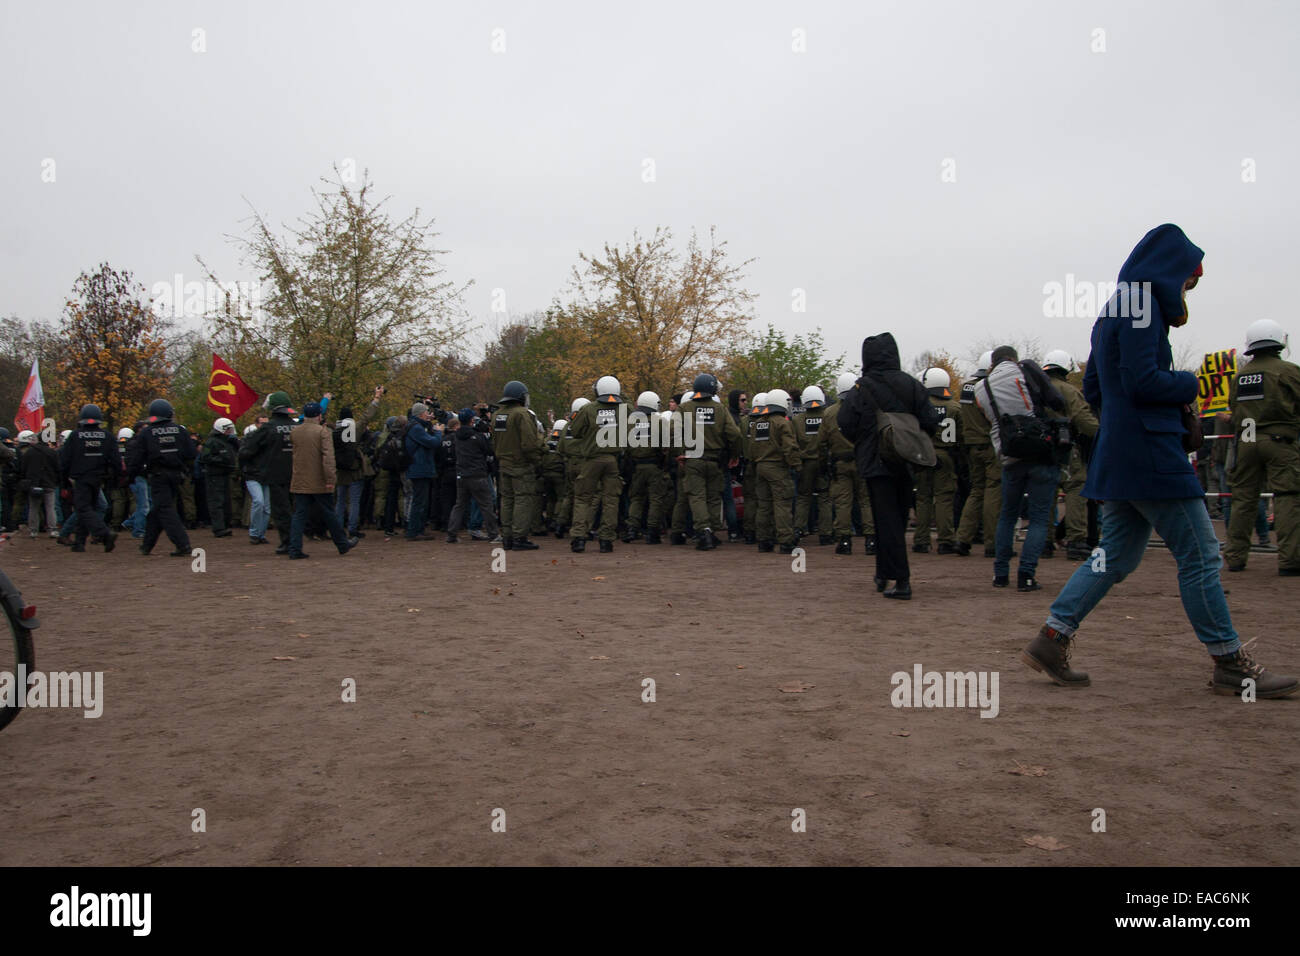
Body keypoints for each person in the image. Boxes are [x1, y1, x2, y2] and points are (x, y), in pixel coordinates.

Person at [1024, 223, 1296, 698]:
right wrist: (1189, 383)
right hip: (1152, 456)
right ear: (1172, 271)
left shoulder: (1116, 308)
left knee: (1115, 556)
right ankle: (1229, 661)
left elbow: (1096, 389)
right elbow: (1143, 381)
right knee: (1200, 554)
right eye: (1192, 279)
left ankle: (1052, 637)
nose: (1191, 287)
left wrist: (1126, 425)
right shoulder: (1144, 307)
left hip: (1121, 454)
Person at [838, 333, 941, 600]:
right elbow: (930, 420)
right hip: (907, 461)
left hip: (875, 461)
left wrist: (867, 442)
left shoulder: (861, 388)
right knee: (897, 517)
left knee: (887, 521)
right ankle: (884, 572)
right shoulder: (912, 385)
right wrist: (909, 441)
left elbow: (845, 423)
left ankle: (901, 580)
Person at [974, 347, 1067, 591]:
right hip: (1040, 452)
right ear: (1012, 358)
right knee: (1037, 518)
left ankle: (1000, 574)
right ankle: (1026, 575)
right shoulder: (1025, 369)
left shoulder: (980, 387)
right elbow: (1057, 401)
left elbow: (989, 418)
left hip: (1009, 454)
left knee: (1007, 514)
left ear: (992, 364)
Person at [1223, 319, 1300, 575]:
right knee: (1287, 497)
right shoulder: (1288, 371)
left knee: (1243, 499)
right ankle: (1290, 561)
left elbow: (1234, 411)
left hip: (1245, 441)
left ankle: (1235, 557)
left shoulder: (1239, 376)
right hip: (1280, 442)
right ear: (1279, 342)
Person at [1041, 350, 1100, 560]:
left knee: (1046, 493)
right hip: (1066, 448)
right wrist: (1105, 435)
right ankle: (1076, 542)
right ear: (1065, 368)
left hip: (1039, 448)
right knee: (1076, 487)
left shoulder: (1033, 389)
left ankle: (1043, 542)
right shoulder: (1067, 390)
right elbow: (1083, 419)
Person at [679, 373, 743, 550]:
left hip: (693, 459)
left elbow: (672, 431)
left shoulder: (684, 408)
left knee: (697, 496)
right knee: (714, 497)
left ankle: (704, 530)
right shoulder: (720, 409)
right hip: (715, 460)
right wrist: (734, 455)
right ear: (712, 389)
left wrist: (679, 453)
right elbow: (735, 434)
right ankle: (712, 531)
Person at [287, 402, 357, 559]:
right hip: (319, 480)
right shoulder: (323, 432)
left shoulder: (295, 432)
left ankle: (294, 548)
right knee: (329, 513)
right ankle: (342, 543)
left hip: (300, 479)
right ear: (319, 415)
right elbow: (328, 458)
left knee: (299, 515)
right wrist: (330, 478)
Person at [128, 399, 195, 556]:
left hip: (158, 476)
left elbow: (137, 458)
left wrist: (131, 476)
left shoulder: (146, 433)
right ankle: (147, 545)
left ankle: (183, 544)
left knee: (165, 509)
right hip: (177, 475)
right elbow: (191, 453)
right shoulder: (180, 430)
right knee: (157, 510)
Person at [567, 376, 625, 553]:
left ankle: (579, 538)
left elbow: (575, 431)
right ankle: (606, 540)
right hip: (612, 460)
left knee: (583, 498)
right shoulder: (623, 409)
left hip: (591, 460)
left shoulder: (588, 409)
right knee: (610, 500)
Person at [59, 404, 121, 553]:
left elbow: (64, 460)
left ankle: (105, 534)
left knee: (83, 508)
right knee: (87, 510)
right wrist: (114, 479)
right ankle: (79, 543)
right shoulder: (107, 436)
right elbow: (116, 461)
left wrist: (64, 482)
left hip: (81, 479)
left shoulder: (75, 436)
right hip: (98, 479)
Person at [913, 368, 961, 554]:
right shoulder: (955, 407)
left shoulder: (920, 407)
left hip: (924, 455)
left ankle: (921, 541)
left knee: (923, 497)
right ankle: (945, 541)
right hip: (947, 455)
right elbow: (962, 436)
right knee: (944, 499)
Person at [955, 351, 999, 556]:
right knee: (993, 493)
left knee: (976, 492)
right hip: (990, 444)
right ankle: (992, 543)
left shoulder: (966, 387)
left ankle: (963, 539)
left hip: (972, 446)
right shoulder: (991, 386)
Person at [491, 381, 543, 549]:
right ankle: (519, 537)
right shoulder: (522, 414)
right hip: (521, 464)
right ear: (521, 396)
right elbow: (529, 444)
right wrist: (537, 460)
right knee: (523, 500)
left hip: (503, 463)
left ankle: (507, 537)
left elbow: (494, 441)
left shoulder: (498, 415)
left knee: (507, 500)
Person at [750, 388, 801, 554]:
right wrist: (796, 465)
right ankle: (786, 541)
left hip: (760, 467)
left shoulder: (758, 423)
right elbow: (790, 448)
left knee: (763, 506)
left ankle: (764, 541)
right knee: (782, 504)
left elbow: (751, 448)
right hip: (777, 468)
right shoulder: (782, 422)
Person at [446, 408, 501, 543]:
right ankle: (493, 534)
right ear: (471, 420)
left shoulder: (456, 436)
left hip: (461, 474)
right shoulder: (477, 436)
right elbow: (488, 450)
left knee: (459, 505)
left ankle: (451, 534)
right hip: (477, 474)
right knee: (486, 504)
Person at [792, 385, 833, 545]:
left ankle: (798, 529)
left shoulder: (797, 420)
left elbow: (793, 444)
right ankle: (826, 534)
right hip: (823, 462)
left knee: (803, 498)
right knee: (825, 498)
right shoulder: (827, 416)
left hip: (805, 464)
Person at [403, 402, 445, 541]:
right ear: (421, 413)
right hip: (419, 468)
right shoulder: (416, 428)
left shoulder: (415, 426)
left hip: (418, 468)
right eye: (427, 412)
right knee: (419, 501)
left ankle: (418, 529)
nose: (429, 414)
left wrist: (430, 423)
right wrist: (439, 432)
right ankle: (414, 531)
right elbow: (432, 442)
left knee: (421, 500)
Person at [200, 417, 238, 537]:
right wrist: (221, 460)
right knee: (216, 501)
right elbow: (204, 458)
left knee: (226, 501)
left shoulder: (228, 441)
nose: (230, 432)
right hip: (214, 476)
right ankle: (219, 528)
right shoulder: (211, 442)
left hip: (225, 474)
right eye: (228, 430)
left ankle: (225, 524)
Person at [18, 431, 59, 537]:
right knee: (50, 507)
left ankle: (33, 530)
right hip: (49, 483)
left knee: (33, 507)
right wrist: (56, 481)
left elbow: (23, 468)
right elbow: (57, 468)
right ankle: (53, 529)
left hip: (34, 484)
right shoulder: (52, 452)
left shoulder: (29, 452)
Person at [240, 423, 269, 544]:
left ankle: (260, 534)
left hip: (265, 476)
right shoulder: (246, 447)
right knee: (258, 501)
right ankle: (254, 533)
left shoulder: (267, 445)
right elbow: (242, 458)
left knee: (267, 508)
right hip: (252, 475)